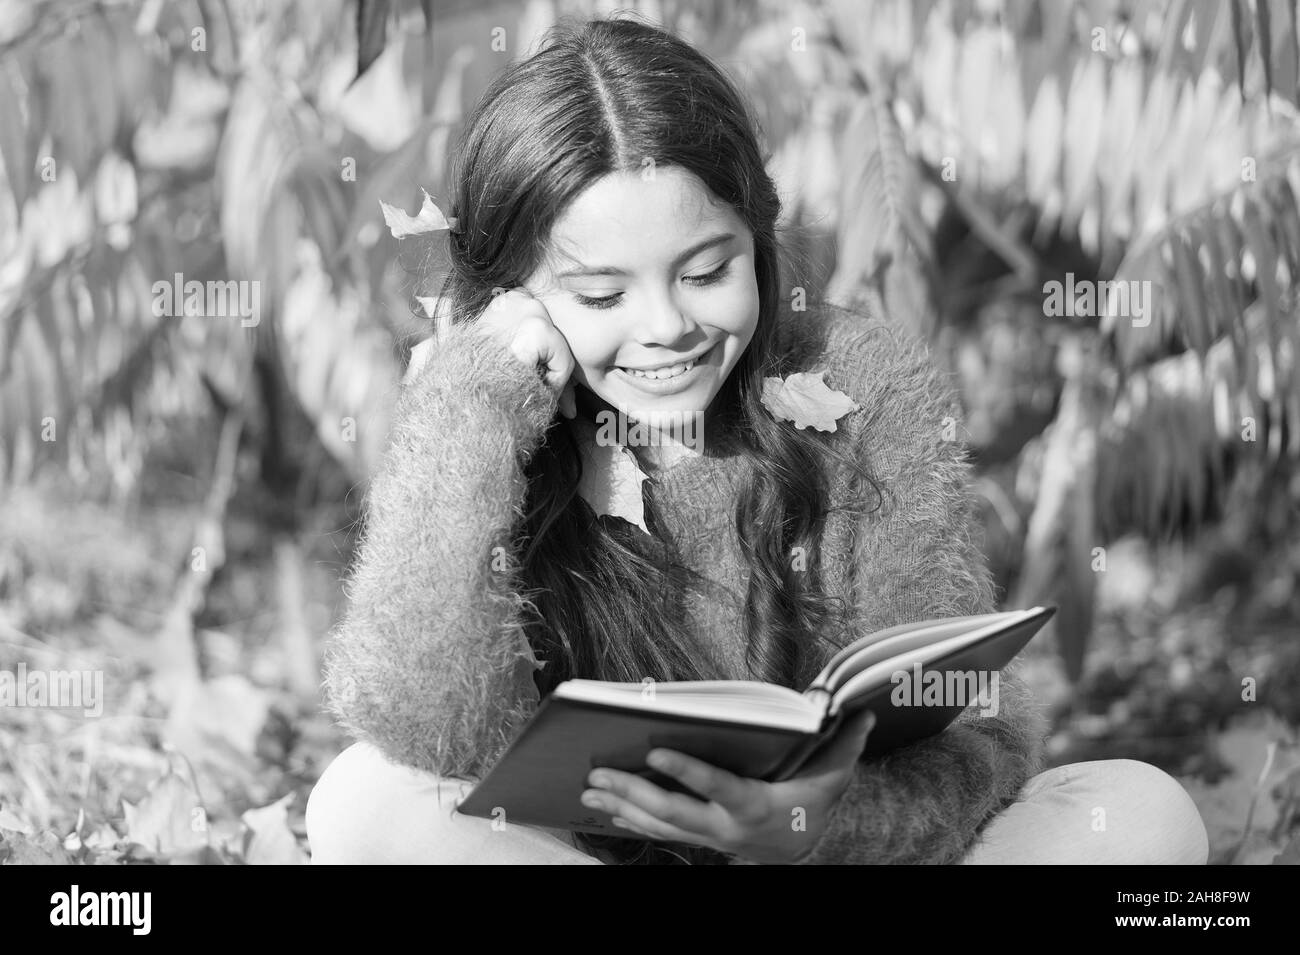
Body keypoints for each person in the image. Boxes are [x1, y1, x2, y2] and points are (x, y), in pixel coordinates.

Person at [306, 15, 1209, 865]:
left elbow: (976, 735)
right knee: (361, 798)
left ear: (758, 237)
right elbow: (419, 718)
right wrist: (470, 409)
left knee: (1140, 805)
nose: (667, 327)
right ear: (513, 296)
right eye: (603, 295)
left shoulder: (863, 384)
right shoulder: (482, 416)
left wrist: (814, 823)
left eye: (707, 271)